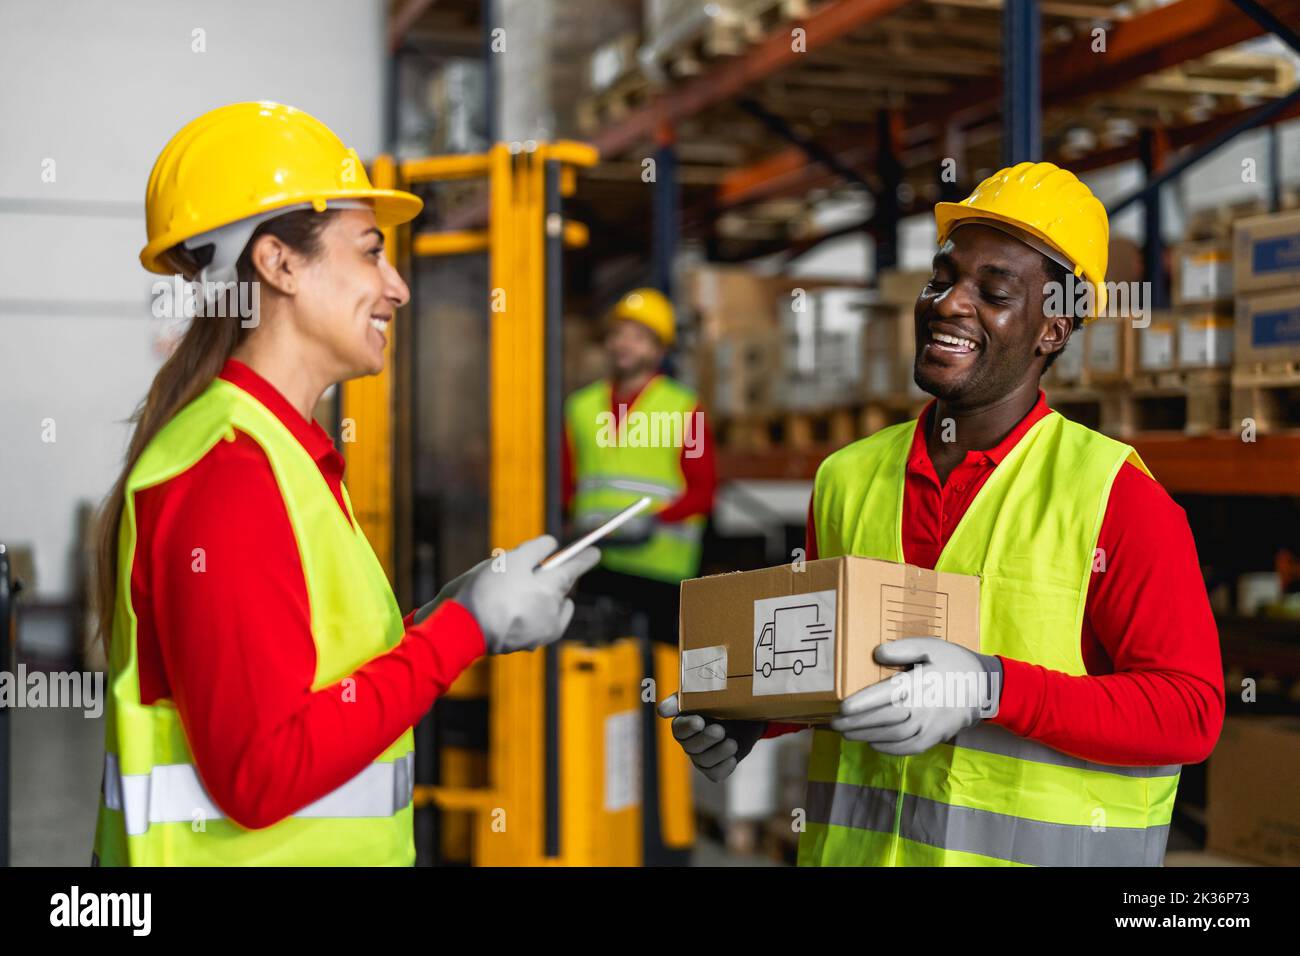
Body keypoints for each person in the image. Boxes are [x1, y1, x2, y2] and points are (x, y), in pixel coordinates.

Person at [660, 162, 1224, 866]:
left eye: (993, 293)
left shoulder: (1115, 498)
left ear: (1053, 329)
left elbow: (1188, 713)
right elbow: (838, 665)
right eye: (941, 278)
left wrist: (992, 687)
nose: (950, 303)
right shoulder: (848, 476)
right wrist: (750, 720)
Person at [90, 101, 598, 865]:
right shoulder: (230, 473)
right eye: (370, 252)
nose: (396, 288)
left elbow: (311, 676)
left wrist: (451, 611)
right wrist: (459, 634)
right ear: (279, 263)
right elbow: (258, 775)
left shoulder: (280, 455)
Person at [562, 288, 716, 645]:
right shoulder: (580, 408)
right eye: (618, 334)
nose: (624, 344)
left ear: (659, 349)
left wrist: (655, 522)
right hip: (598, 565)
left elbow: (703, 492)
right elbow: (564, 485)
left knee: (659, 676)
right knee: (596, 677)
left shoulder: (684, 408)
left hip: (660, 570)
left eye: (638, 337)